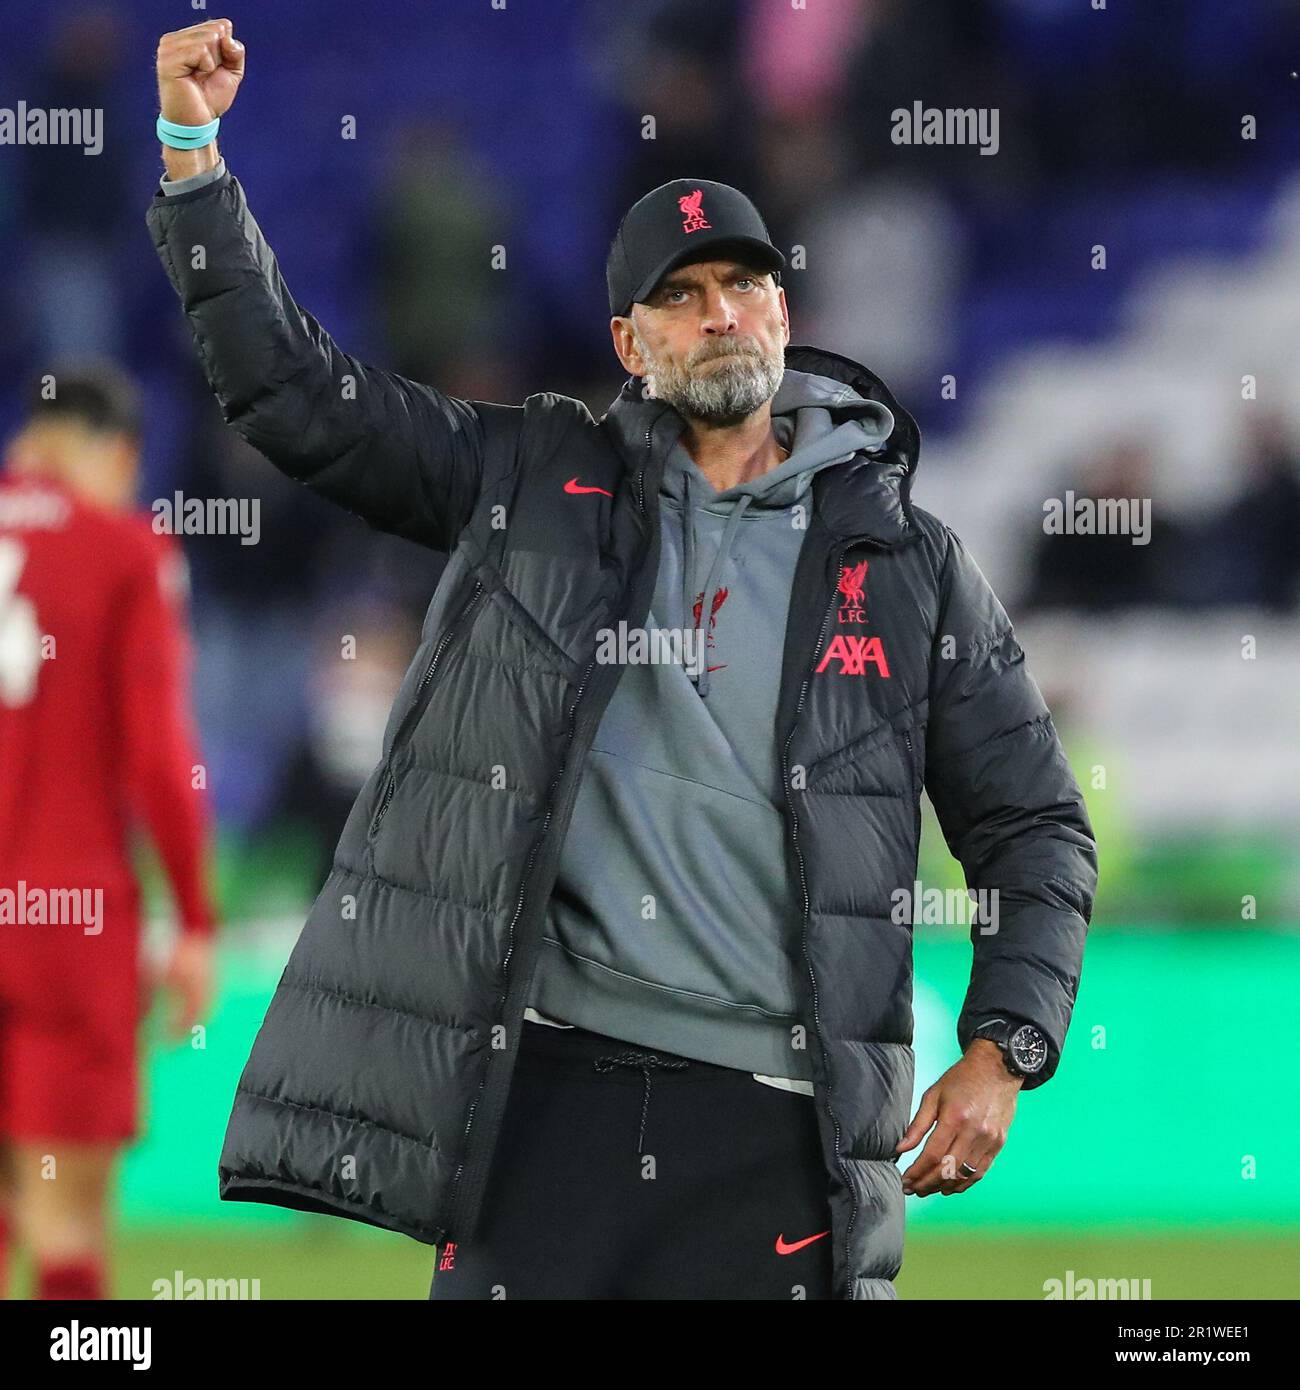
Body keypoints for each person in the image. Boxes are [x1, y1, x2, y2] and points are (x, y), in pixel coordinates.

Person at [148, 19, 1097, 1300]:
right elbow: (297, 398)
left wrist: (1005, 1043)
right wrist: (194, 157)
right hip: (541, 1102)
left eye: (743, 285)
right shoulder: (533, 480)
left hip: (778, 1126)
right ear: (627, 343)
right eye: (682, 295)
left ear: (782, 308)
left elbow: (1036, 823)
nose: (720, 316)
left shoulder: (908, 561)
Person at [0, 364, 217, 1299]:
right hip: (66, 922)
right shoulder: (127, 551)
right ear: (118, 453)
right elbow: (158, 758)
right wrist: (197, 921)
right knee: (66, 1226)